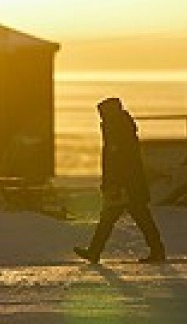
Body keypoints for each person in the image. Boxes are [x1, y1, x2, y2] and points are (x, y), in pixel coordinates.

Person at [74, 97, 166, 263]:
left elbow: (116, 161)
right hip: (129, 184)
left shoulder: (117, 132)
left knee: (126, 218)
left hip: (125, 185)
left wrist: (114, 183)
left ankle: (95, 251)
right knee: (126, 218)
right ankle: (95, 251)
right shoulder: (122, 130)